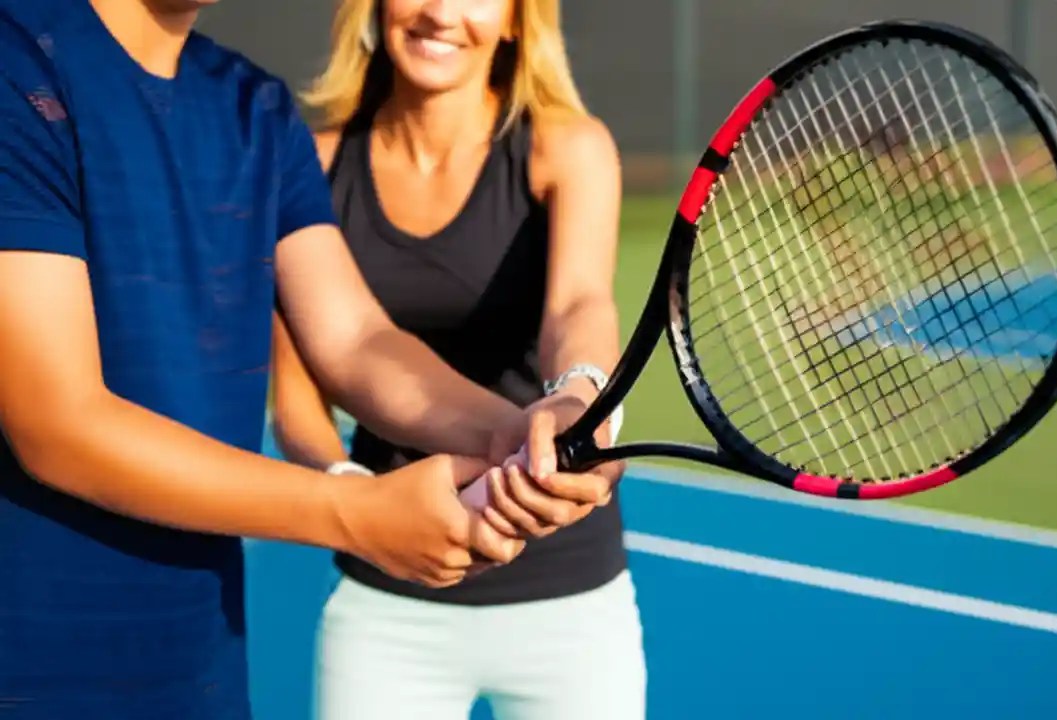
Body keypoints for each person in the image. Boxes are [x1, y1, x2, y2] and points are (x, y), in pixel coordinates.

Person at [0, 0, 615, 717]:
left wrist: (514, 433)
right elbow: (56, 423)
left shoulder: (255, 108)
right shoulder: (17, 67)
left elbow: (356, 340)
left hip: (199, 663)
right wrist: (354, 510)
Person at [267, 0, 647, 718]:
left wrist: (579, 395)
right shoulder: (308, 166)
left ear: (516, 19)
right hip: (388, 602)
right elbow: (297, 401)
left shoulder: (567, 148)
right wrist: (362, 501)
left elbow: (579, 306)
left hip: (570, 605)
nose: (442, 13)